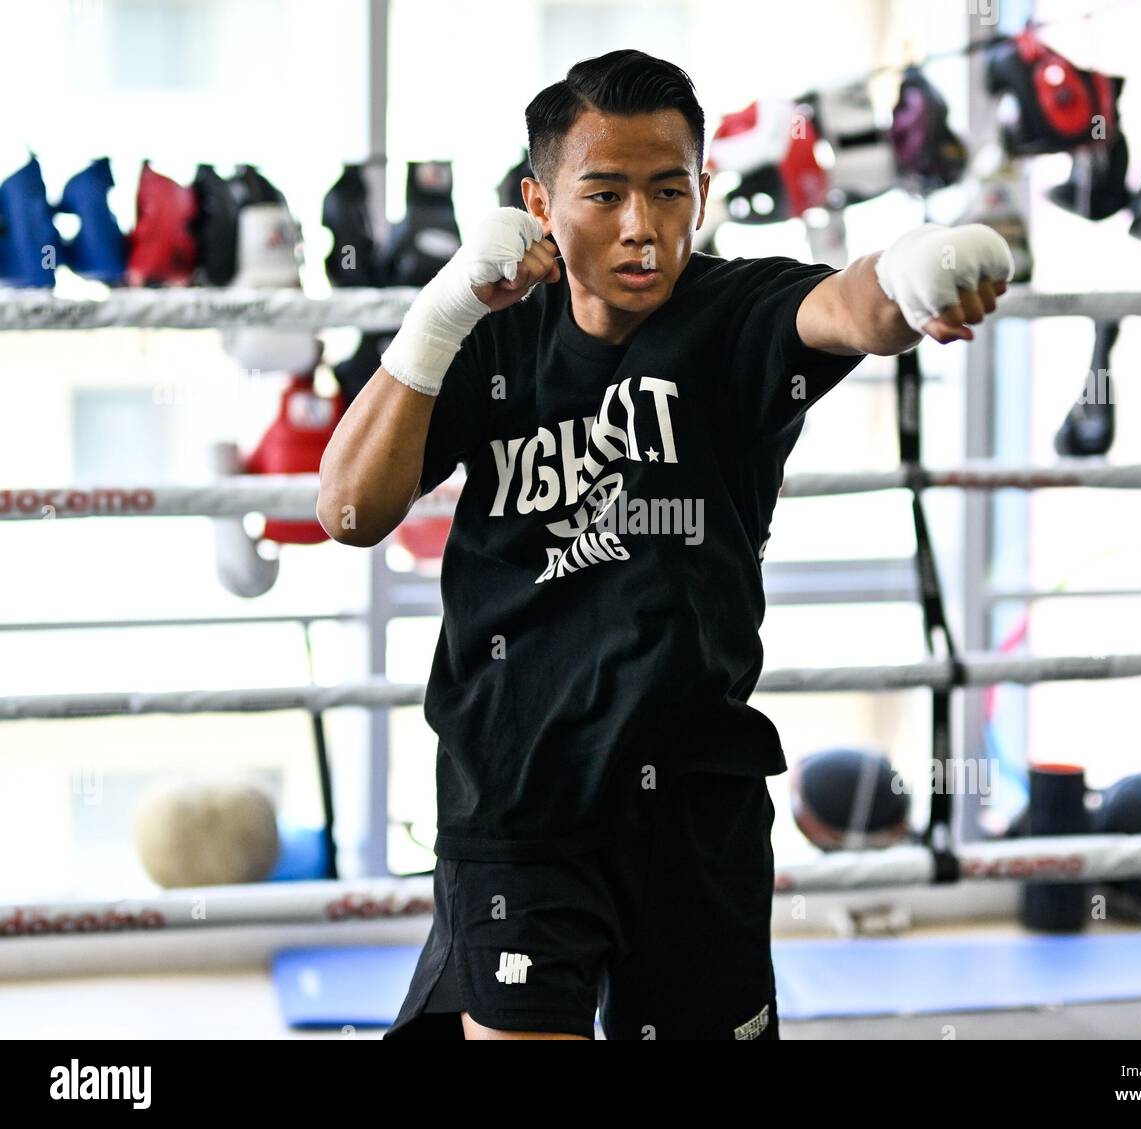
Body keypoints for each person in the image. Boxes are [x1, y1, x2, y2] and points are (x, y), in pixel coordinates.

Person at [317, 49, 1011, 1041]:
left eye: (666, 191)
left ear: (703, 190)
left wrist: (910, 273)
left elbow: (845, 309)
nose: (640, 227)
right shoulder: (490, 330)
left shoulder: (736, 313)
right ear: (538, 200)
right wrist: (446, 309)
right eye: (602, 194)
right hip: (520, 795)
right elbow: (348, 512)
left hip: (694, 792)